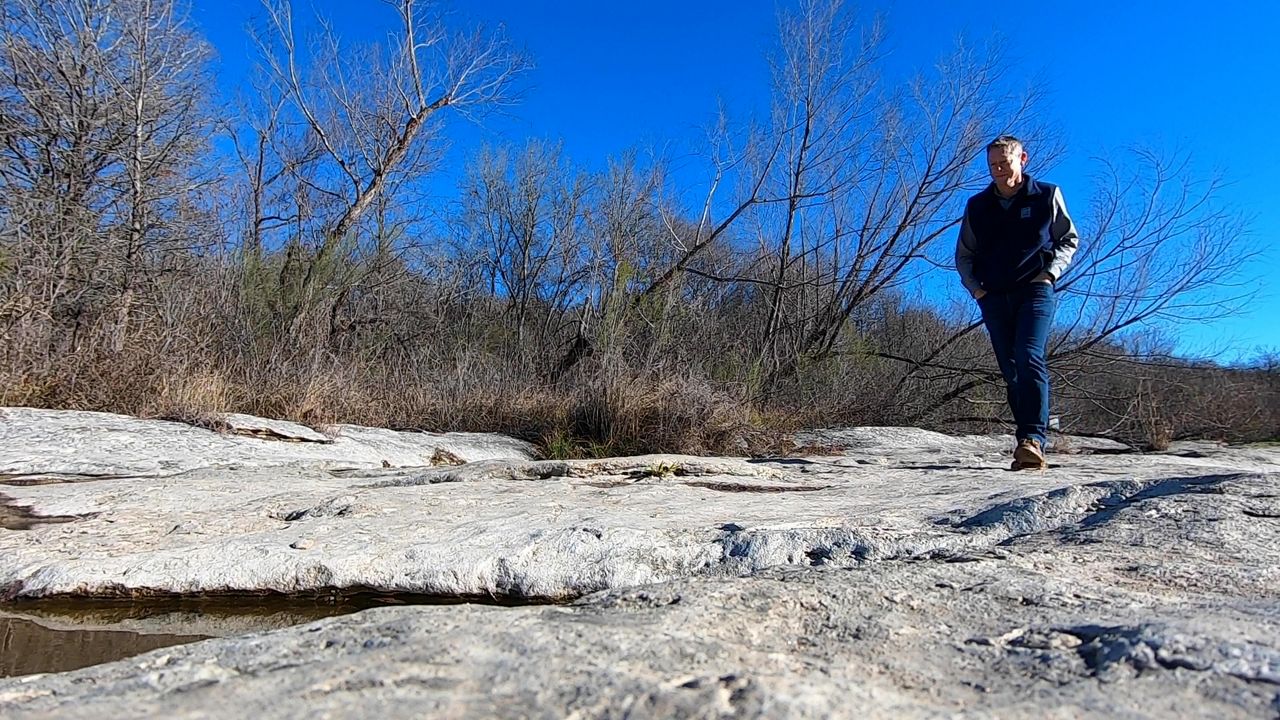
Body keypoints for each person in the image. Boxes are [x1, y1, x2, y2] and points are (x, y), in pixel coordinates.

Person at [955, 135, 1079, 470]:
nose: (998, 170)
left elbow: (1068, 238)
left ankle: (1033, 439)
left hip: (1035, 291)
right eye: (992, 165)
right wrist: (977, 290)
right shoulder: (978, 206)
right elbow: (964, 255)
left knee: (1028, 355)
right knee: (1011, 369)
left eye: (1004, 163)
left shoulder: (1046, 195)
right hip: (993, 296)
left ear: (1022, 159)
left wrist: (1050, 274)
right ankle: (1025, 441)